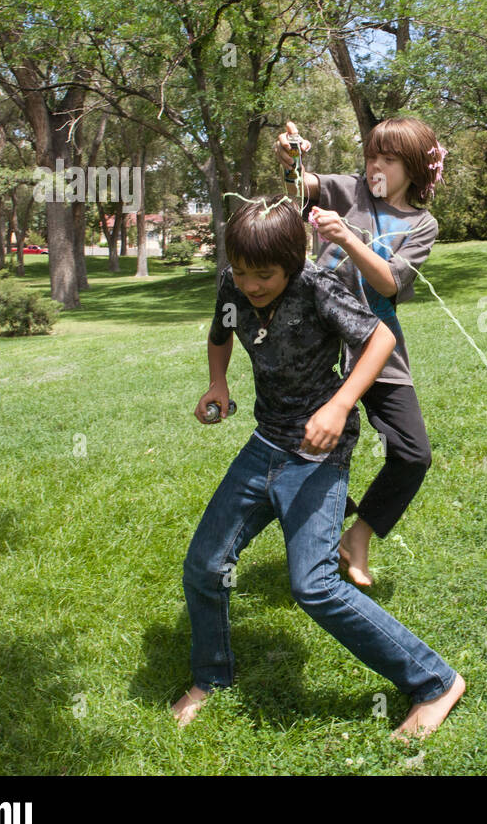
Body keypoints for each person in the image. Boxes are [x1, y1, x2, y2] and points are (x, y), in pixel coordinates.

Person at [172, 195, 464, 738]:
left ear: (290, 262)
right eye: (242, 272)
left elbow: (381, 338)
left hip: (317, 453)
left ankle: (436, 682)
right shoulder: (234, 285)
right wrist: (217, 382)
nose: (250, 285)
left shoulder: (317, 287)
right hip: (265, 443)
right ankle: (212, 679)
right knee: (205, 566)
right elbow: (220, 332)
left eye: (264, 275)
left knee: (315, 586)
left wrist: (339, 404)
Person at [275, 117, 443, 589]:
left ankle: (358, 534)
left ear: (415, 168)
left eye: (388, 159)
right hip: (318, 342)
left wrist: (347, 238)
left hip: (378, 347)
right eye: (371, 156)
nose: (375, 167)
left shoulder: (422, 224)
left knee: (412, 454)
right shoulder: (349, 190)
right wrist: (291, 160)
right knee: (305, 441)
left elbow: (389, 283)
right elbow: (301, 186)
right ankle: (316, 535)